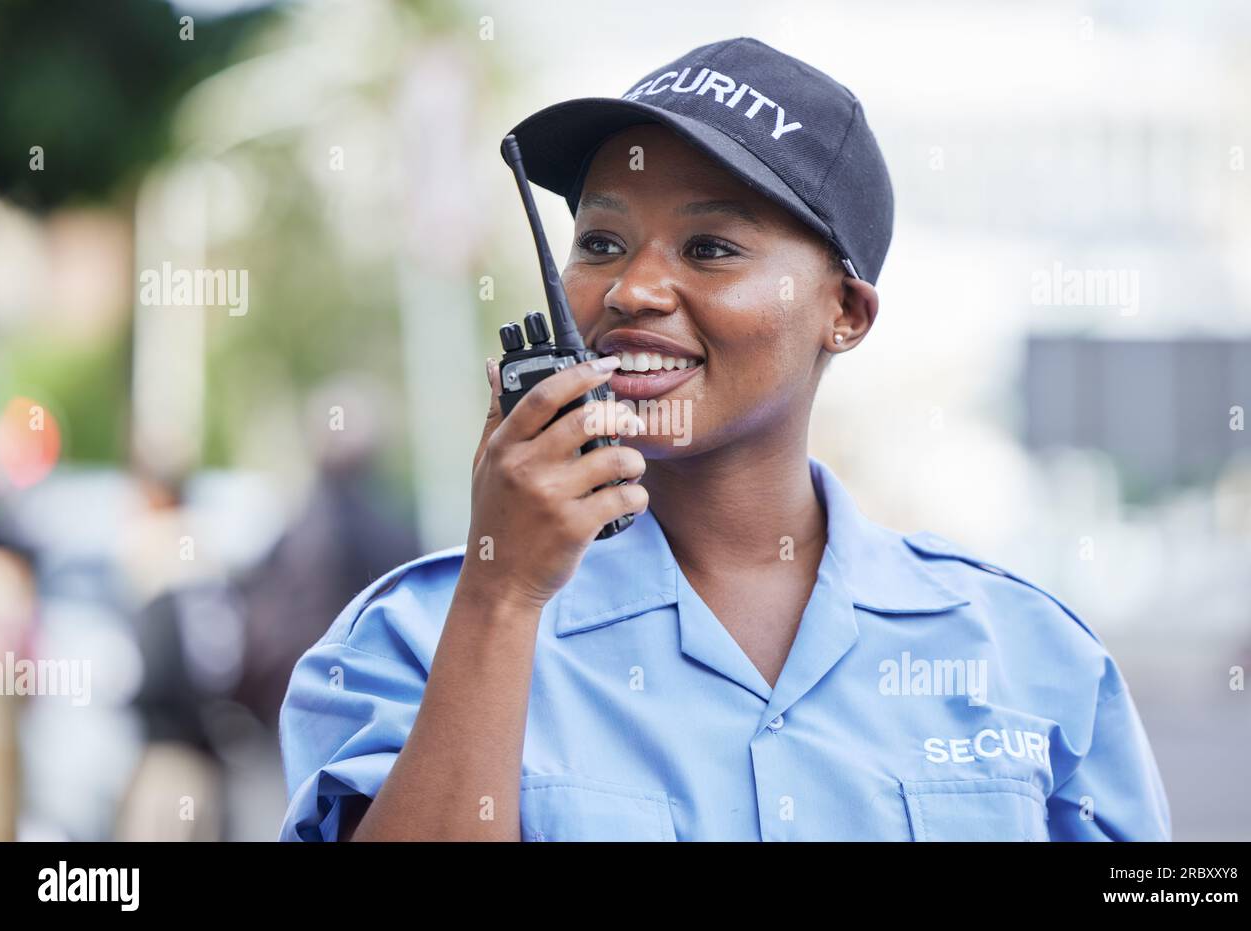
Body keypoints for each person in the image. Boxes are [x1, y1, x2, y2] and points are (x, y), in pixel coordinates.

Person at [278, 37, 1171, 841]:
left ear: (845, 313)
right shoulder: (416, 636)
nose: (632, 290)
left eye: (709, 248)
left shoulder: (1028, 655)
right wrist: (502, 598)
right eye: (599, 241)